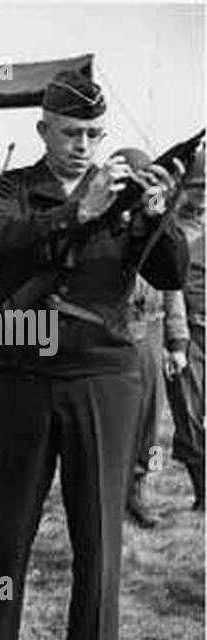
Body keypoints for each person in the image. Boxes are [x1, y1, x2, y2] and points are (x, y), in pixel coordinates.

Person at [0, 71, 188, 640]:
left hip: (105, 379)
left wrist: (158, 218)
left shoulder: (127, 191)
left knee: (97, 531)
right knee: (6, 528)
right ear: (43, 130)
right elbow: (3, 241)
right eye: (71, 132)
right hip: (24, 376)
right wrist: (79, 212)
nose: (83, 145)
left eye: (93, 134)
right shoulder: (7, 189)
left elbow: (168, 273)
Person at [125, 269, 189, 529]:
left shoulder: (160, 234)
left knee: (151, 422)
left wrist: (178, 342)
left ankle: (142, 487)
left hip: (152, 329)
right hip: (111, 328)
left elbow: (173, 289)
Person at [164, 145, 205, 511]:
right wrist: (176, 342)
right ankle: (203, 493)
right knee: (189, 414)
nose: (203, 194)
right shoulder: (170, 227)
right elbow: (170, 289)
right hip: (188, 334)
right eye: (197, 186)